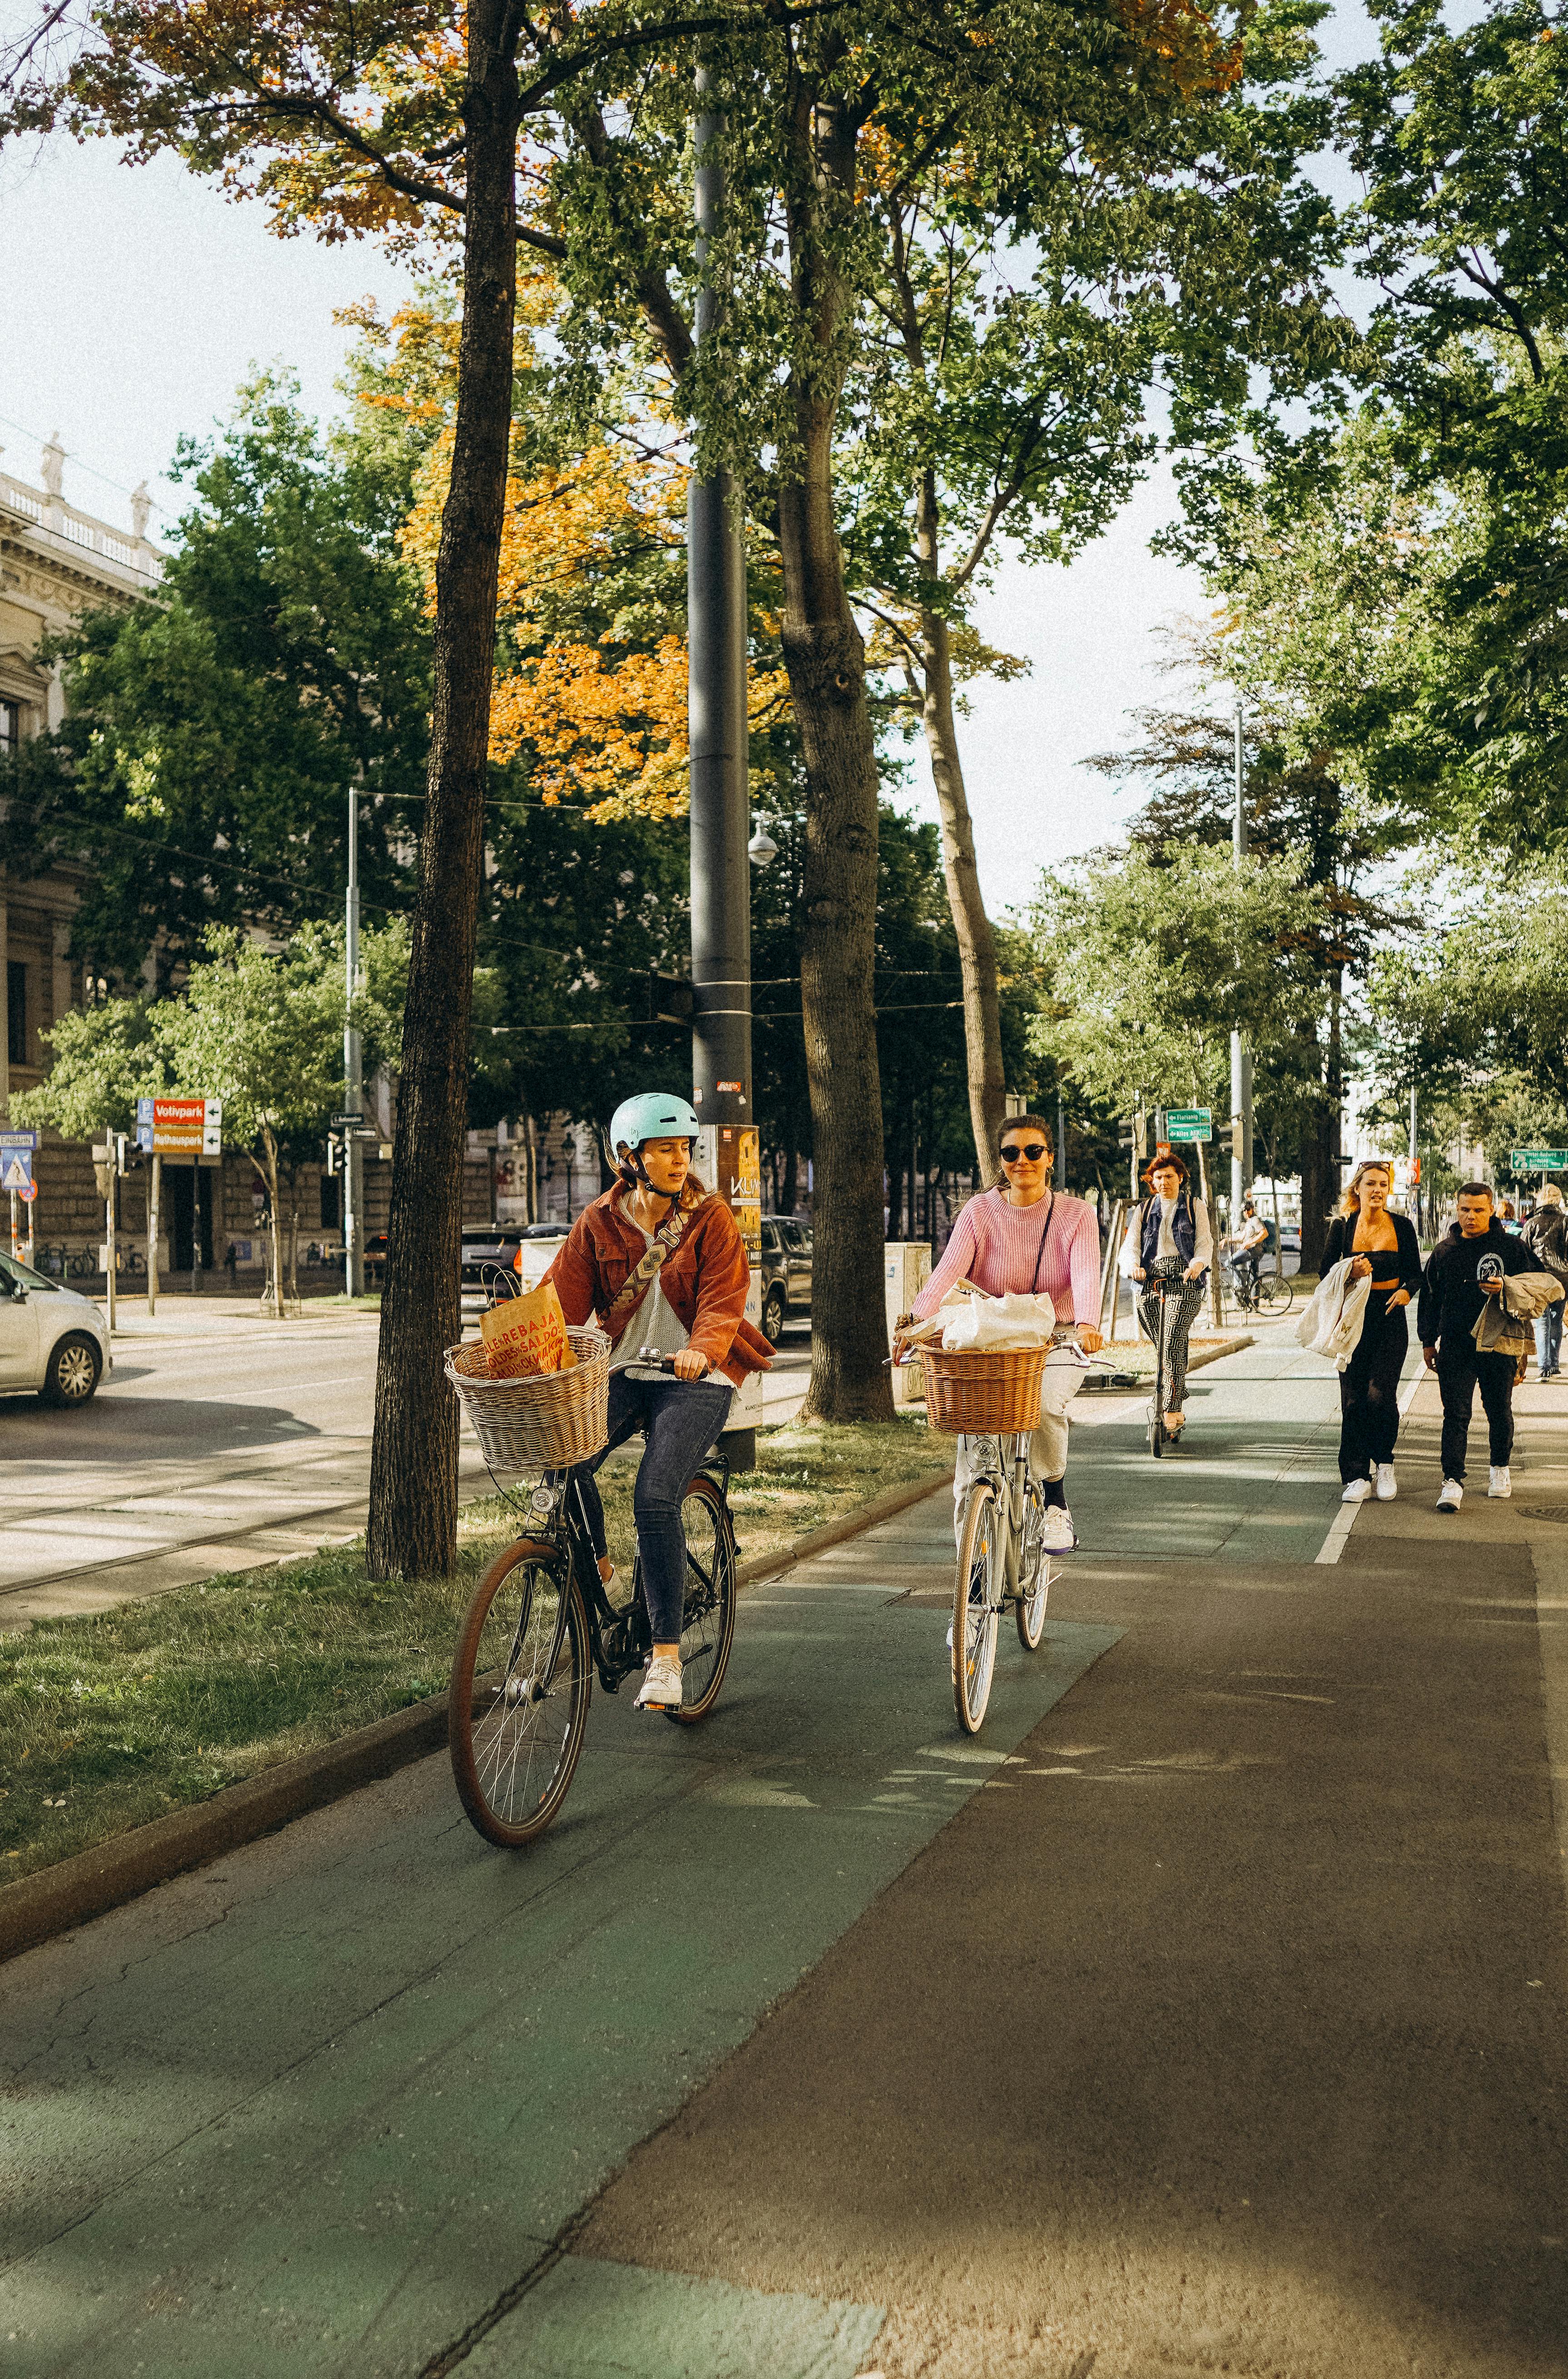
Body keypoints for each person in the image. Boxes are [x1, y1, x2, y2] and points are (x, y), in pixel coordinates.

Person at [544, 1092, 772, 1710]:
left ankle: (666, 1657)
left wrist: (701, 1348)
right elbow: (557, 1302)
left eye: (683, 1148)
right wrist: (512, 1340)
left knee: (654, 1494)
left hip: (696, 1377)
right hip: (627, 1370)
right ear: (628, 1157)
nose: (679, 1159)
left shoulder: (709, 1217)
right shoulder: (599, 1220)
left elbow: (724, 1300)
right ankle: (599, 1563)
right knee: (561, 1456)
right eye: (664, 1148)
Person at [899, 1115, 1103, 1551]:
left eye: (1033, 1151)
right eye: (1011, 1152)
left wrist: (1087, 1324)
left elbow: (1086, 1273)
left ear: (1049, 1158)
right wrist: (913, 1324)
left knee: (1046, 1404)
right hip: (988, 1338)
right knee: (970, 1470)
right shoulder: (979, 1212)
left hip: (1056, 1335)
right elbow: (947, 1272)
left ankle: (1054, 1502)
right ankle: (971, 1586)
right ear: (1001, 1160)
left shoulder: (1077, 1215)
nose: (1022, 1161)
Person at [1418, 1180, 1536, 1511]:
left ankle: (1499, 1468)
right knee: (1455, 1414)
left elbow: (1536, 1285)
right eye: (1465, 1209)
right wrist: (1427, 1340)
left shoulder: (1511, 1248)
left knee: (1498, 1410)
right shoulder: (1443, 1251)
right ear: (1457, 1210)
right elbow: (1429, 1298)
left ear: (1492, 1209)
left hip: (1499, 1342)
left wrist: (1506, 1286)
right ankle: (1452, 1481)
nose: (1471, 1216)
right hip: (1455, 1344)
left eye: (1478, 1210)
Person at [1320, 1159, 1424, 1504]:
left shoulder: (1402, 1225)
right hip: (1353, 1320)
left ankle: (1384, 1462)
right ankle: (1355, 1475)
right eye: (1370, 1184)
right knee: (1352, 1400)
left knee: (1380, 1395)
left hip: (1389, 1318)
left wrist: (1407, 1290)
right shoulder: (1342, 1226)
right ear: (1357, 1189)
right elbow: (1324, 1272)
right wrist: (1349, 1270)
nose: (1377, 1190)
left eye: (1383, 1184)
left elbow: (1415, 1273)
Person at [1117, 1152, 1212, 1436]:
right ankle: (1171, 1398)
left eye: (1169, 1177)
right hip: (1150, 1280)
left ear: (1180, 1178)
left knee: (1172, 1335)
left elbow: (1205, 1244)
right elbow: (1131, 1246)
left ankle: (1171, 1408)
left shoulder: (1195, 1207)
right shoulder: (1144, 1211)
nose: (1163, 1182)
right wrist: (1133, 1266)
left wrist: (1197, 1265)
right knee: (1165, 1346)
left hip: (1185, 1279)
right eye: (1158, 1178)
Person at [1522, 1183, 1568, 1379]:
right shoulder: (1566, 1221)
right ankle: (1554, 1364)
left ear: (1540, 1200)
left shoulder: (1533, 1223)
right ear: (1558, 1200)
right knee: (1557, 1321)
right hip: (1563, 1279)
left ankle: (1544, 1367)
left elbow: (1523, 1250)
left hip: (1541, 1279)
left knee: (1542, 1322)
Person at [1226, 1198, 1271, 1299]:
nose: (1247, 1212)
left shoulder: (1255, 1220)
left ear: (1252, 1209)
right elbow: (1242, 1237)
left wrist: (1249, 1243)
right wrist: (1226, 1240)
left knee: (1229, 1263)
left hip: (1253, 1251)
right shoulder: (1249, 1222)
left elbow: (1265, 1233)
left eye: (1248, 1209)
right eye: (1244, 1210)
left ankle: (1241, 1285)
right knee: (1254, 1277)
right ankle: (1255, 1304)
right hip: (1256, 1251)